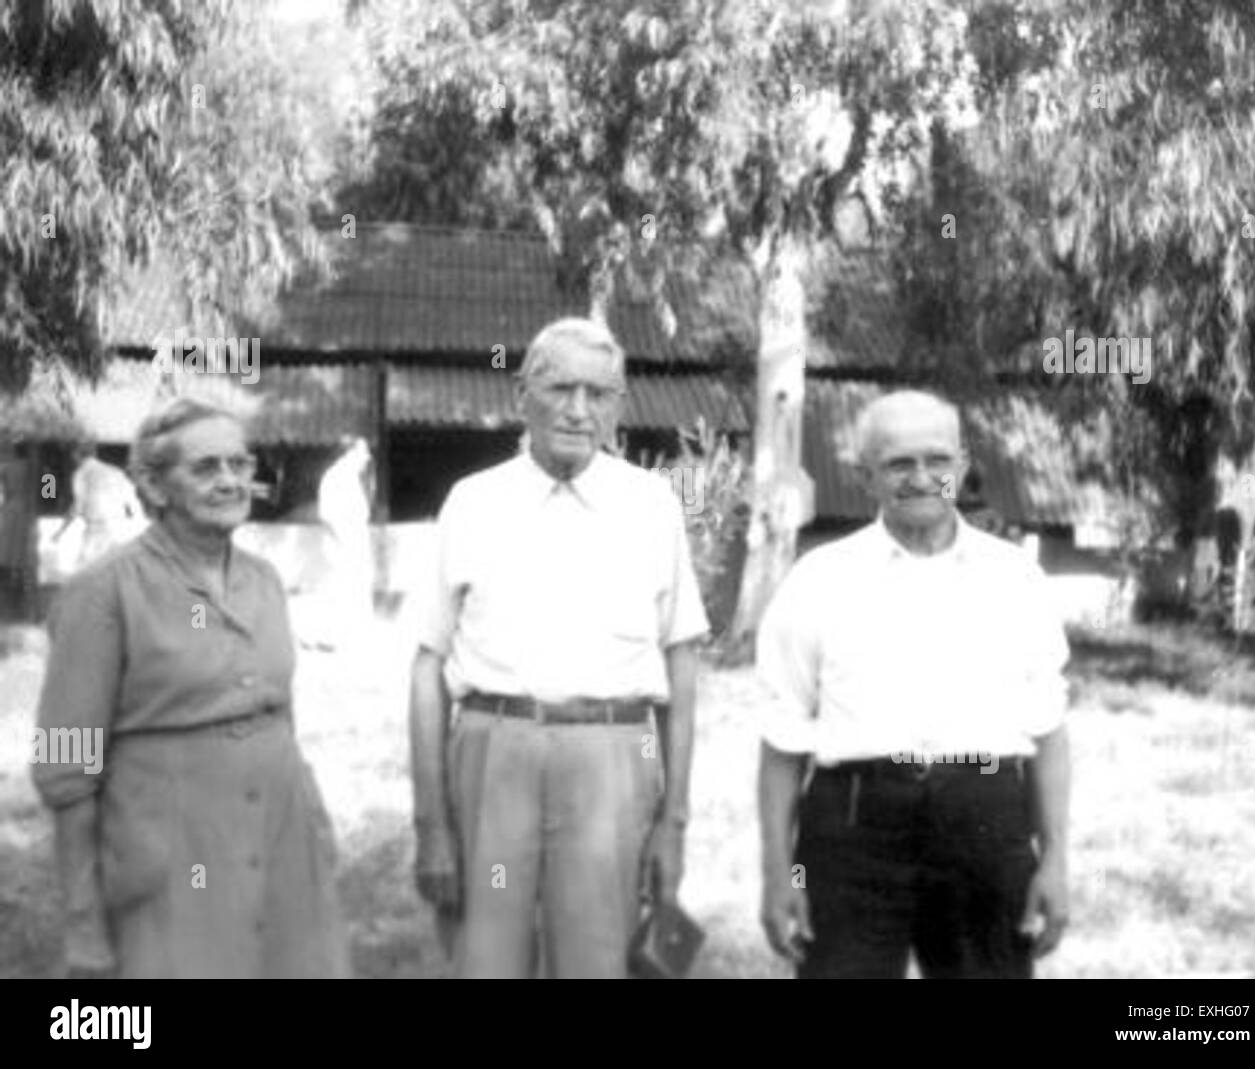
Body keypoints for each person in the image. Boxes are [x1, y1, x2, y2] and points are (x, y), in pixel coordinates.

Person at [408, 317, 710, 978]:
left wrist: (674, 821)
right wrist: (430, 823)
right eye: (561, 388)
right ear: (522, 394)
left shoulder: (652, 504)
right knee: (485, 960)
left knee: (601, 964)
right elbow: (428, 665)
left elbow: (682, 664)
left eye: (599, 394)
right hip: (493, 753)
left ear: (618, 405)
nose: (579, 410)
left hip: (612, 759)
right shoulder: (473, 501)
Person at [756, 389, 1071, 978]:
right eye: (900, 463)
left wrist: (1054, 862)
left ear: (963, 463)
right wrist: (782, 875)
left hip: (986, 820)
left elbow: (1050, 736)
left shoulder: (1015, 579)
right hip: (851, 830)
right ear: (864, 475)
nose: (922, 477)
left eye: (937, 460)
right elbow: (781, 747)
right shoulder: (819, 581)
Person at [31, 398, 349, 979]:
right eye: (206, 468)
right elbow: (66, 767)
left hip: (283, 849)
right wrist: (84, 924)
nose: (230, 481)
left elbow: (283, 719)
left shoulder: (265, 581)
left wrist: (317, 834)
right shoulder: (101, 593)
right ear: (153, 487)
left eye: (240, 464)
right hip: (171, 862)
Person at [316, 435, 375, 648]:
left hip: (354, 544)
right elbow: (327, 513)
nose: (367, 457)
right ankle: (330, 638)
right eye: (363, 452)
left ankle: (354, 638)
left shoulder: (350, 477)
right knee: (339, 591)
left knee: (355, 589)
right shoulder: (335, 477)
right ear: (349, 453)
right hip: (342, 546)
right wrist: (346, 542)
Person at [54, 441, 146, 570]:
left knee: (85, 573)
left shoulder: (82, 474)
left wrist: (60, 532)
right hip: (119, 529)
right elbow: (133, 502)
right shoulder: (116, 472)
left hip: (97, 530)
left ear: (75, 455)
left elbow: (77, 508)